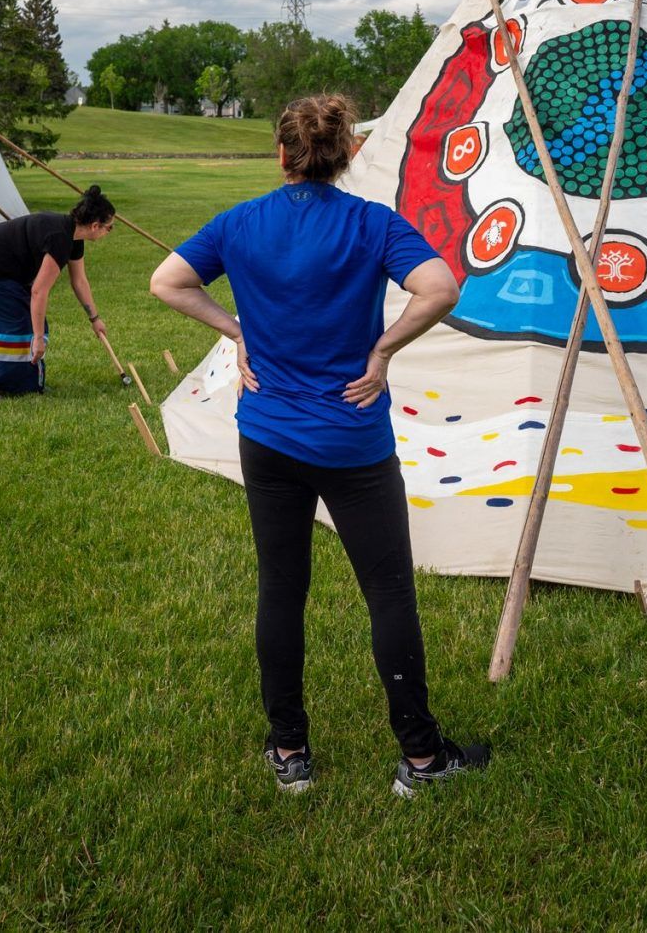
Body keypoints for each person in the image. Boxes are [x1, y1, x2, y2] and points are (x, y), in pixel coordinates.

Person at [148, 93, 480, 798]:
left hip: (266, 434)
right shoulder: (371, 222)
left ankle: (289, 750)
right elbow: (441, 288)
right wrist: (383, 349)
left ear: (281, 153)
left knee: (282, 588)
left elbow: (167, 282)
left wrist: (237, 331)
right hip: (352, 439)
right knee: (388, 594)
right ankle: (421, 760)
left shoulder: (242, 221)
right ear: (349, 155)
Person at [0, 188, 117, 401]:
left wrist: (95, 319)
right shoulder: (60, 239)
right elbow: (39, 291)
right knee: (15, 326)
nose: (108, 232)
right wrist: (37, 338)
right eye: (109, 228)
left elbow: (79, 281)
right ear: (95, 226)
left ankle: (20, 385)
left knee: (25, 326)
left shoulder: (73, 238)